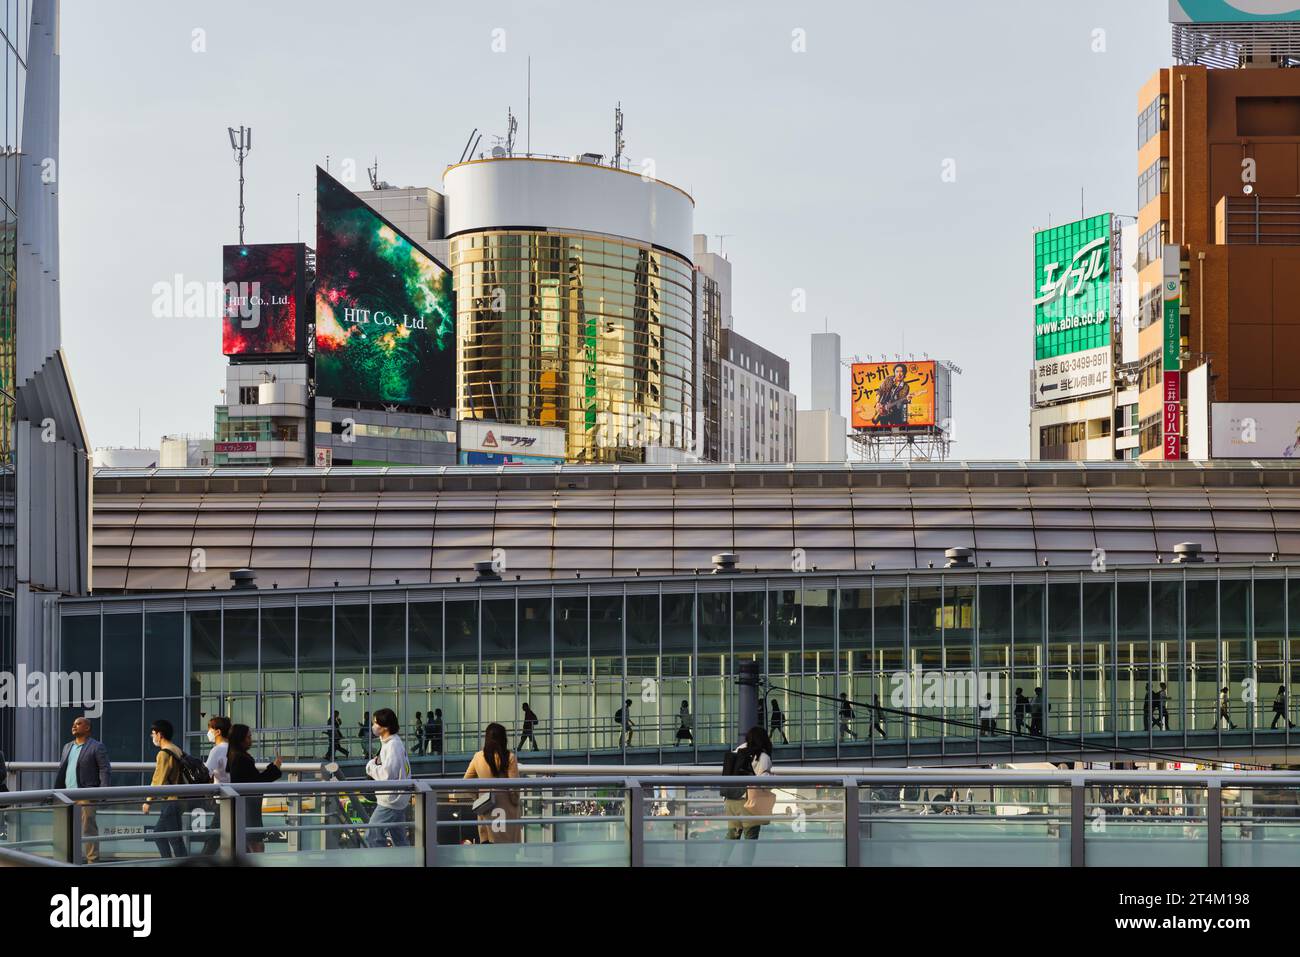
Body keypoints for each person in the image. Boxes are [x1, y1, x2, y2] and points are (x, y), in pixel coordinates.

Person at [54, 715, 111, 864]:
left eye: (78, 724)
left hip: (86, 793)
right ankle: (69, 860)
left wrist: (103, 791)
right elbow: (63, 769)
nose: (74, 726)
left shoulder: (97, 746)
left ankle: (93, 860)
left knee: (88, 828)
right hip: (66, 794)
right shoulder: (67, 746)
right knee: (66, 830)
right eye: (73, 724)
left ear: (87, 728)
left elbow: (105, 769)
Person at [226, 723, 283, 853]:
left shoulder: (233, 755)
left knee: (246, 842)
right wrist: (275, 767)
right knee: (256, 842)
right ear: (240, 738)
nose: (250, 740)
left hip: (243, 804)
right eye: (248, 737)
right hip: (249, 806)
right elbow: (257, 782)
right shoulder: (241, 758)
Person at [463, 722, 522, 844]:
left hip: (486, 808)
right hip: (506, 812)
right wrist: (515, 801)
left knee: (488, 848)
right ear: (503, 739)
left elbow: (465, 782)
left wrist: (477, 797)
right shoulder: (509, 757)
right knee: (507, 854)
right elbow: (514, 789)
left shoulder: (478, 757)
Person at [726, 726, 774, 866]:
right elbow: (764, 783)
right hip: (749, 802)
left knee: (731, 835)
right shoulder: (762, 757)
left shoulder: (738, 750)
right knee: (750, 838)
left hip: (731, 800)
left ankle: (720, 862)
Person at [364, 708, 412, 848]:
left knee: (372, 836)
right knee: (400, 840)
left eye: (375, 723)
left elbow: (386, 775)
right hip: (397, 799)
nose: (373, 726)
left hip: (390, 801)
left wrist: (370, 767)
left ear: (385, 726)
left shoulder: (392, 746)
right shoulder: (392, 743)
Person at [142, 719, 188, 860]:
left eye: (153, 733)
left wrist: (148, 801)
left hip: (171, 801)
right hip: (177, 800)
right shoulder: (176, 749)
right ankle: (168, 862)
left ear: (160, 734)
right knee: (158, 834)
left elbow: (158, 779)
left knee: (175, 840)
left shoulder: (164, 754)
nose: (152, 737)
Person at [200, 715, 231, 855]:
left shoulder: (217, 749)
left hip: (223, 799)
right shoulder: (233, 748)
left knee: (212, 840)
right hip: (235, 796)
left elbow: (206, 772)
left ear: (217, 731)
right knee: (233, 837)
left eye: (210, 729)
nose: (208, 733)